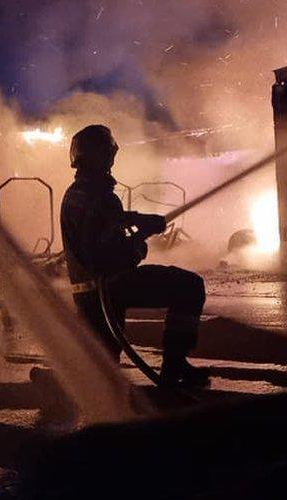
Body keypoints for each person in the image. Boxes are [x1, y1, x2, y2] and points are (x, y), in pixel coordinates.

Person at [60, 124, 210, 387]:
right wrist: (139, 245)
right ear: (98, 155)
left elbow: (104, 225)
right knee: (189, 286)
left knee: (104, 365)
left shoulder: (77, 194)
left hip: (89, 291)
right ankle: (174, 366)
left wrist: (139, 219)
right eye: (106, 152)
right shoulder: (100, 196)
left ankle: (63, 384)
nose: (110, 158)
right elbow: (107, 255)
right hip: (111, 287)